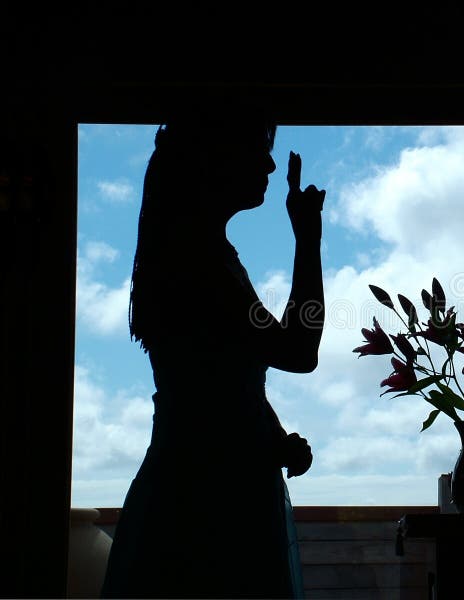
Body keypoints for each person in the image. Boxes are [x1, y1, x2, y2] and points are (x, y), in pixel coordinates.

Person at [101, 109, 325, 599]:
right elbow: (298, 350)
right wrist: (308, 240)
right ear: (216, 159)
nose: (270, 166)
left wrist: (275, 437)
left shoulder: (200, 255)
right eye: (259, 150)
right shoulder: (202, 265)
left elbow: (223, 378)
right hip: (209, 505)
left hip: (196, 489)